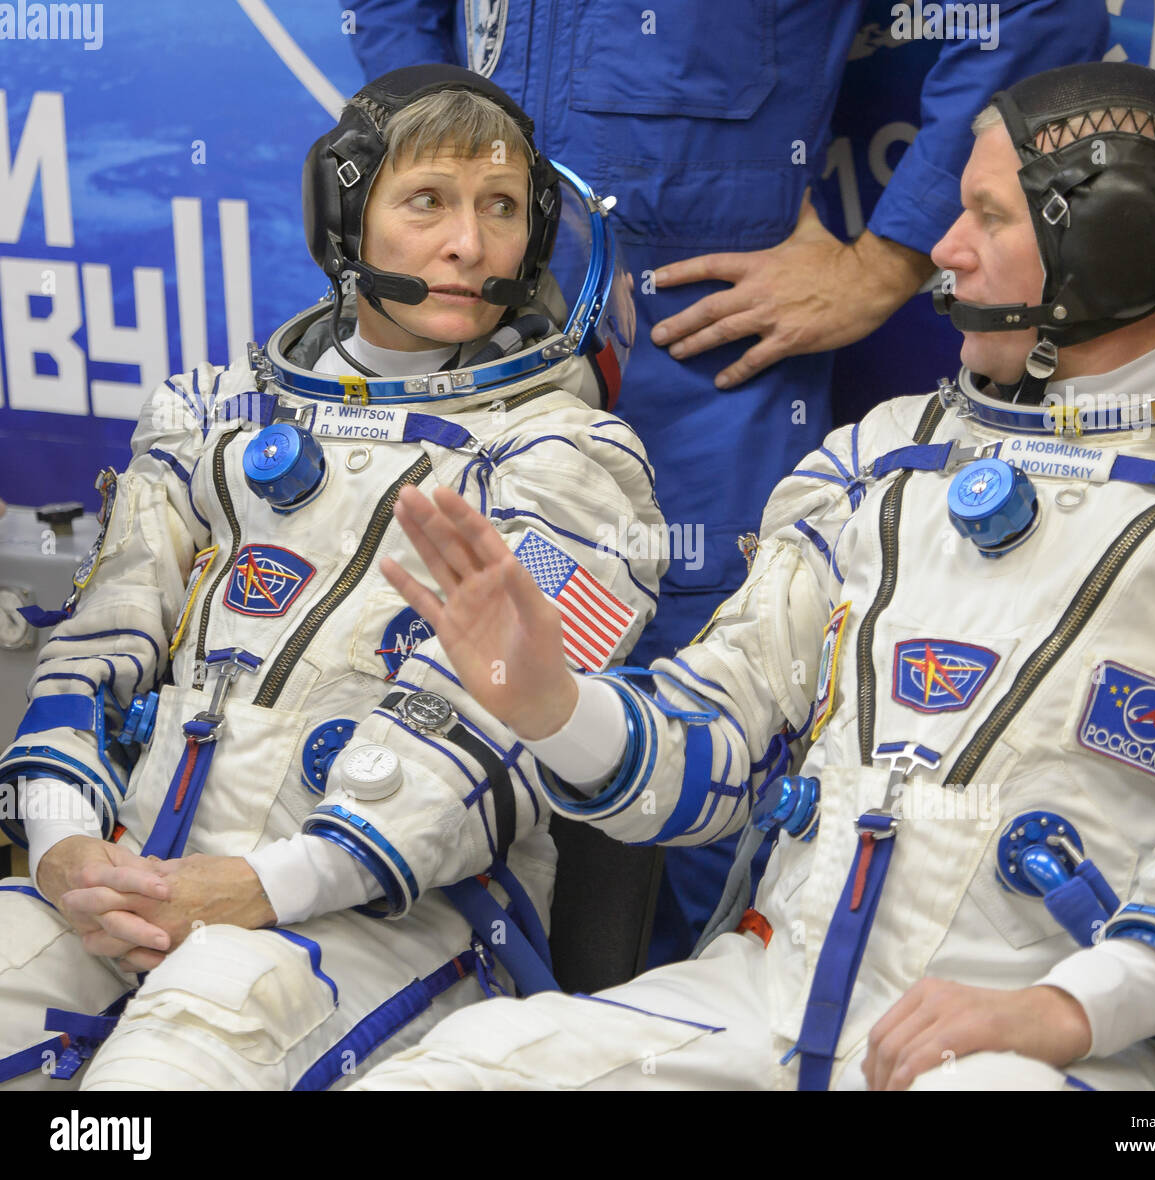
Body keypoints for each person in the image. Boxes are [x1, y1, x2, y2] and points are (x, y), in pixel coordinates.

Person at [357, 62, 1155, 1090]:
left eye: (985, 216)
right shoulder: (876, 462)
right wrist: (552, 703)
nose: (943, 250)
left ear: (1112, 239)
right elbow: (716, 738)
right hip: (771, 1000)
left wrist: (1073, 1006)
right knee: (460, 1070)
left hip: (1057, 1039)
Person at [343, 0, 1112, 966]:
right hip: (469, 309)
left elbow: (1040, 9)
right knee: (415, 675)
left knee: (723, 724)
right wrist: (422, 142)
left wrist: (890, 258)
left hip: (699, 338)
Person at [0, 64, 663, 1090]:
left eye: (499, 209)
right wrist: (61, 849)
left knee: (164, 1074)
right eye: (426, 202)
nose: (469, 245)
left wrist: (259, 884)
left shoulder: (576, 464)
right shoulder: (210, 417)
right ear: (349, 219)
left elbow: (488, 732)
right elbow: (95, 647)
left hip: (396, 910)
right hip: (131, 868)